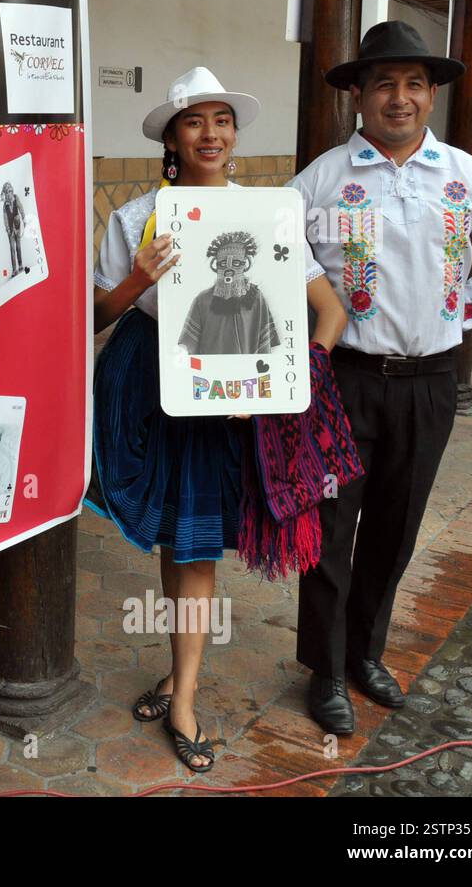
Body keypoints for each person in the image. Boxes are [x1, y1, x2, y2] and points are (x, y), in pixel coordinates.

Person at [88, 66, 348, 772]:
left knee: (196, 543)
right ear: (172, 137)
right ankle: (179, 672)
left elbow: (329, 310)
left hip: (226, 400)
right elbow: (93, 318)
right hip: (147, 390)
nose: (211, 133)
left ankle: (184, 698)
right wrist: (139, 277)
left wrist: (298, 375)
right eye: (195, 121)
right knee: (179, 540)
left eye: (222, 120)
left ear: (235, 135)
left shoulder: (268, 216)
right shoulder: (137, 214)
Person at [290, 21, 472, 736]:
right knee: (331, 531)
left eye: (415, 84)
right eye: (385, 83)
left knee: (396, 529)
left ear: (431, 96)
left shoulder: (467, 177)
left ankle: (366, 654)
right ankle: (325, 670)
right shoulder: (320, 181)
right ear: (359, 95)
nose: (400, 98)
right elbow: (276, 266)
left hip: (430, 384)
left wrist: (457, 312)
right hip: (342, 382)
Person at [177, 230, 281, 355]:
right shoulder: (202, 300)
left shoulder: (257, 299)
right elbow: (189, 347)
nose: (229, 269)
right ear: (215, 266)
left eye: (236, 263)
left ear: (245, 264)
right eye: (223, 263)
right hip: (210, 371)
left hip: (248, 370)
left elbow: (265, 346)